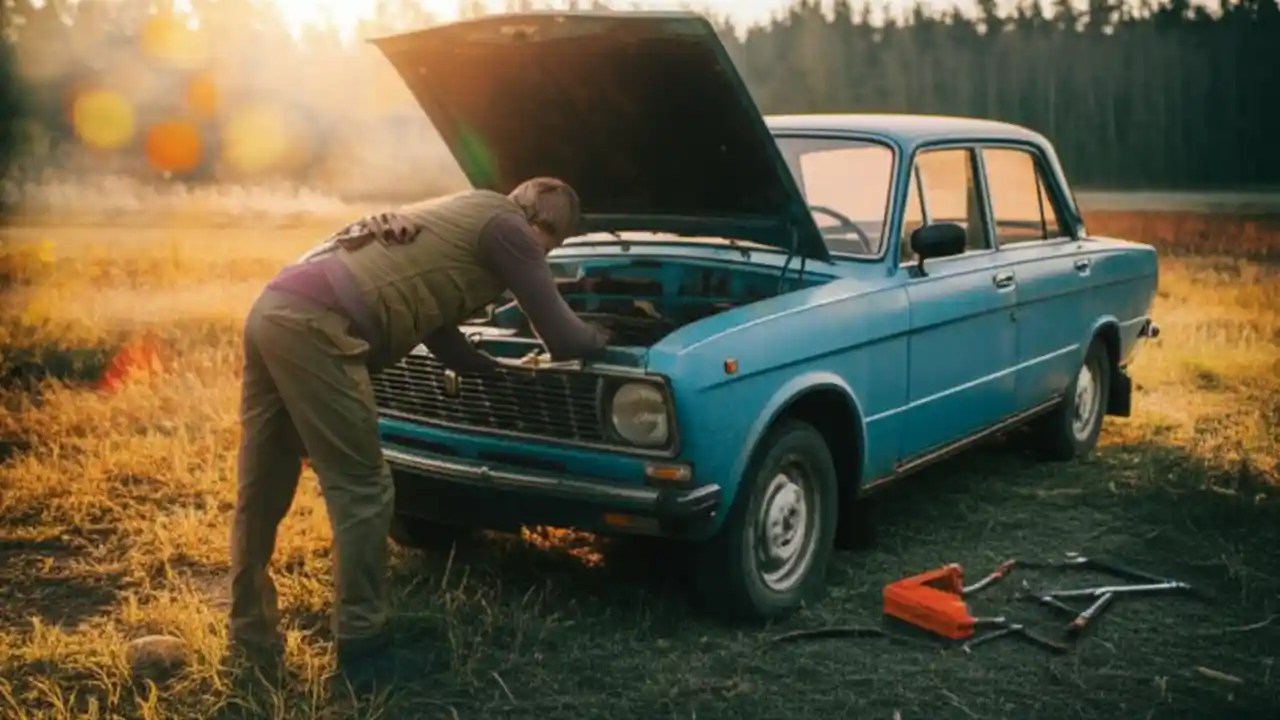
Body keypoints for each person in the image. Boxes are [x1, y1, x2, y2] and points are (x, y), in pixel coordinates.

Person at [227, 177, 609, 691]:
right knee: (363, 489)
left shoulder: (462, 213)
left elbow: (438, 326)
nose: (543, 253)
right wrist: (605, 337)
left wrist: (490, 372)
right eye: (553, 243)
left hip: (274, 307)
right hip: (320, 325)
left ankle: (250, 635)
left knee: (263, 484)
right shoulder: (512, 231)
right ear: (545, 224)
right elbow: (563, 337)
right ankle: (364, 651)